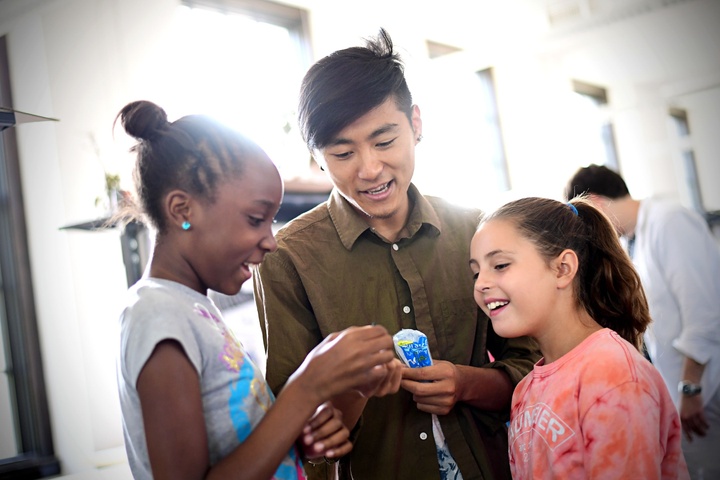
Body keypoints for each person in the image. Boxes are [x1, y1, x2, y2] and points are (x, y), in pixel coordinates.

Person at [252, 29, 540, 480]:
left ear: (416, 124)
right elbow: (295, 430)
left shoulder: (472, 231)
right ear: (317, 157)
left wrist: (466, 383)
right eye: (342, 152)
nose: (369, 169)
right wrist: (352, 390)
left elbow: (534, 363)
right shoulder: (288, 259)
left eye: (384, 142)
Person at [114, 100, 401, 480]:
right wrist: (306, 388)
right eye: (255, 219)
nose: (271, 242)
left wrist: (298, 438)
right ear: (182, 210)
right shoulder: (158, 314)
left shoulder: (192, 309)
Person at [470, 196, 690, 479]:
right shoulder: (525, 391)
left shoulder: (613, 376)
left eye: (499, 265)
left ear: (563, 268)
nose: (481, 284)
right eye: (475, 273)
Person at [566, 164, 720, 480]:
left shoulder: (669, 221)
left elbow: (704, 311)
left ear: (596, 201)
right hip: (689, 389)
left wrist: (689, 388)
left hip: (706, 386)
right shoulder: (635, 239)